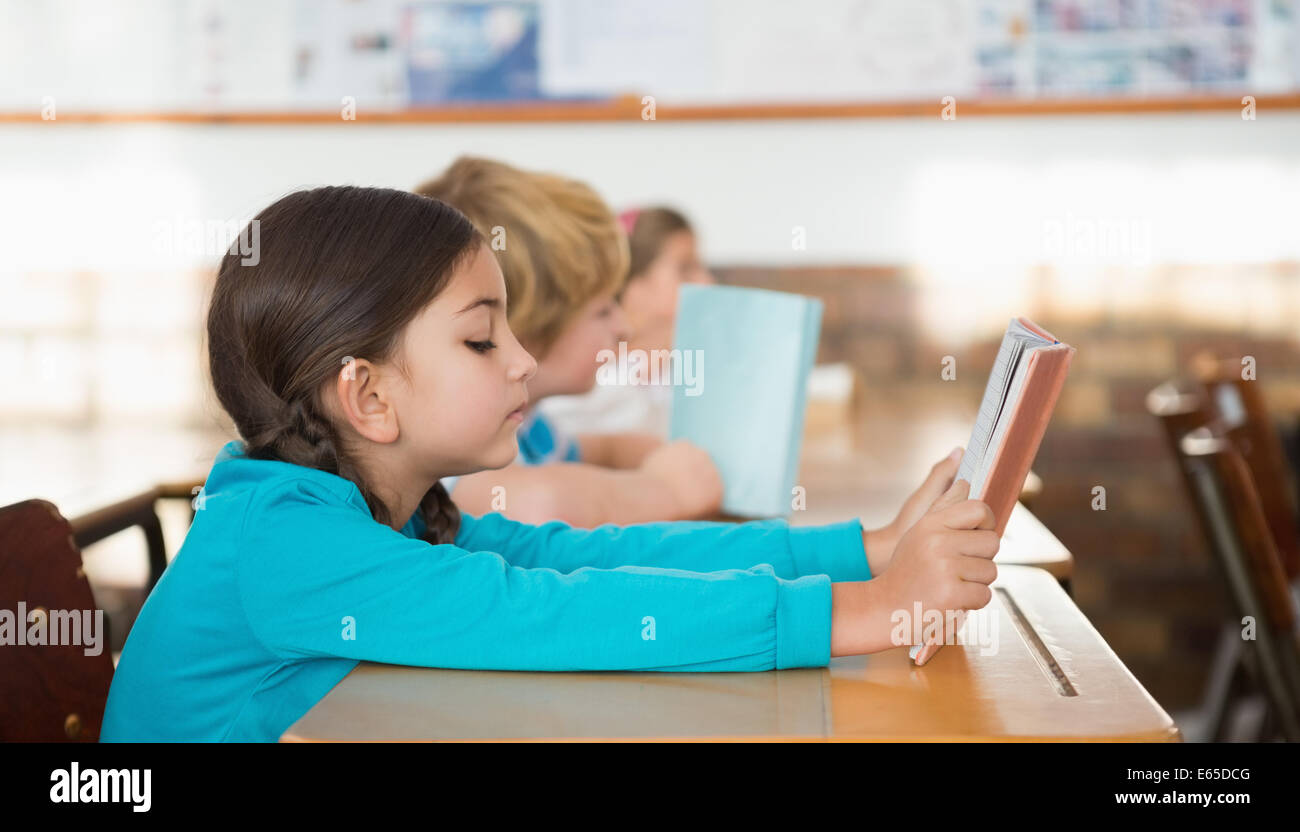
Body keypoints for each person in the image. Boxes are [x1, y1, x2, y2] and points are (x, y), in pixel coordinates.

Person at [100, 186, 997, 742]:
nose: (523, 359)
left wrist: (865, 554)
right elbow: (544, 612)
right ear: (368, 398)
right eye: (483, 339)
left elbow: (578, 558)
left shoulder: (371, 509)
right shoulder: (285, 543)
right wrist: (873, 612)